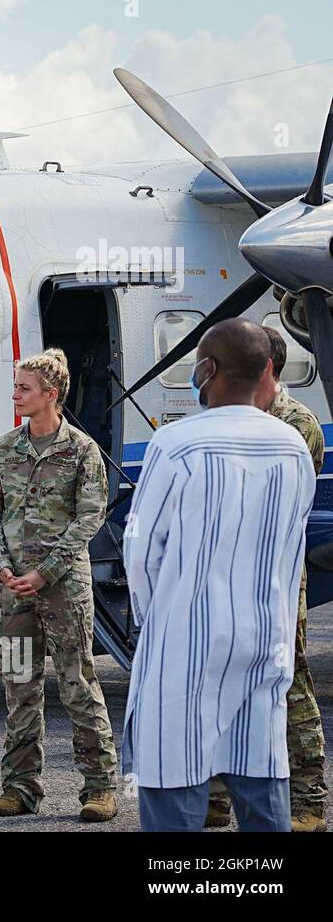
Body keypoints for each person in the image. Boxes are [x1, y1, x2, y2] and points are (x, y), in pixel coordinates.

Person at [123, 318, 315, 832]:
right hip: (265, 637)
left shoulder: (177, 444)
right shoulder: (293, 447)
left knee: (174, 777)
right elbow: (292, 547)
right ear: (267, 369)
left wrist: (156, 618)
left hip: (187, 642)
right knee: (261, 776)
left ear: (206, 369)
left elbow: (140, 548)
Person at [0, 348, 119, 821]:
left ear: (50, 395)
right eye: (16, 386)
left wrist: (46, 571)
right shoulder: (3, 450)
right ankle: (19, 789)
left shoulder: (81, 450)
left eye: (24, 388)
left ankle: (99, 789)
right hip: (11, 589)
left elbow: (89, 517)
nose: (15, 394)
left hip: (62, 589)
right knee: (19, 688)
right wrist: (1, 569)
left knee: (78, 685)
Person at [204, 325, 327, 831]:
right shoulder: (224, 416)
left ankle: (309, 799)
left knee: (289, 678)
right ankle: (214, 796)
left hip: (275, 576)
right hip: (223, 572)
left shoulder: (298, 424)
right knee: (216, 677)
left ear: (264, 367)